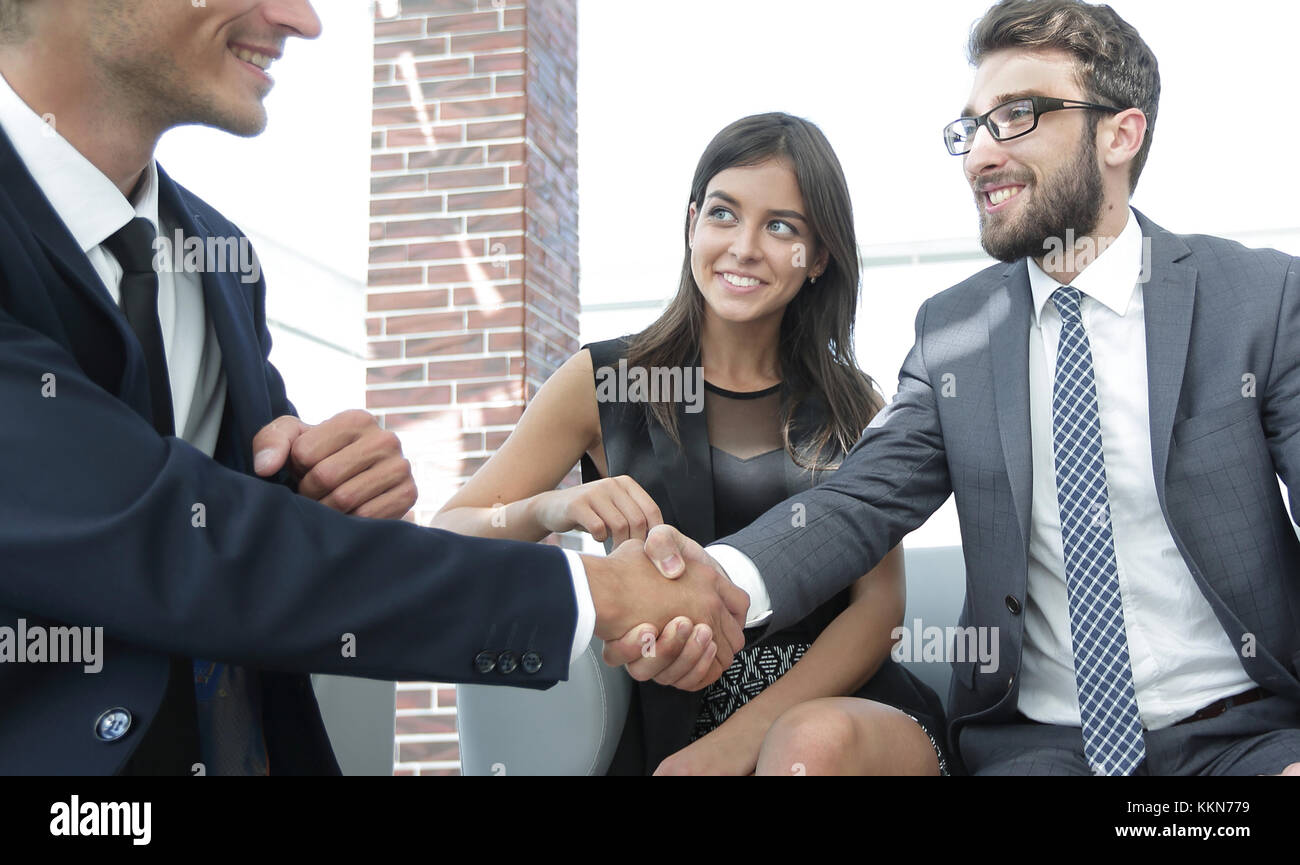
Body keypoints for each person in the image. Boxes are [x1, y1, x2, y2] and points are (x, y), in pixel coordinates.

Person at [0, 0, 744, 775]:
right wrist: (597, 594)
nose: (303, 20)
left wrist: (311, 492)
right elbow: (165, 534)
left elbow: (235, 535)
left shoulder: (218, 255)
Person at [607, 0, 1300, 776]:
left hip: (1247, 738)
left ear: (1119, 133)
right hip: (1042, 748)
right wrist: (721, 578)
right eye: (972, 128)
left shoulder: (1260, 300)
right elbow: (858, 499)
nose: (978, 156)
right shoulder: (955, 331)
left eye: (1017, 116)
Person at [434, 113, 949, 775]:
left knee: (809, 746)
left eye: (782, 226)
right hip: (670, 724)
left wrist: (734, 748)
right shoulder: (605, 384)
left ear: (818, 256)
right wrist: (550, 510)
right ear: (691, 224)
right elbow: (450, 536)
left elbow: (879, 610)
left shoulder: (857, 407)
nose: (743, 247)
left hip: (849, 718)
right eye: (724, 214)